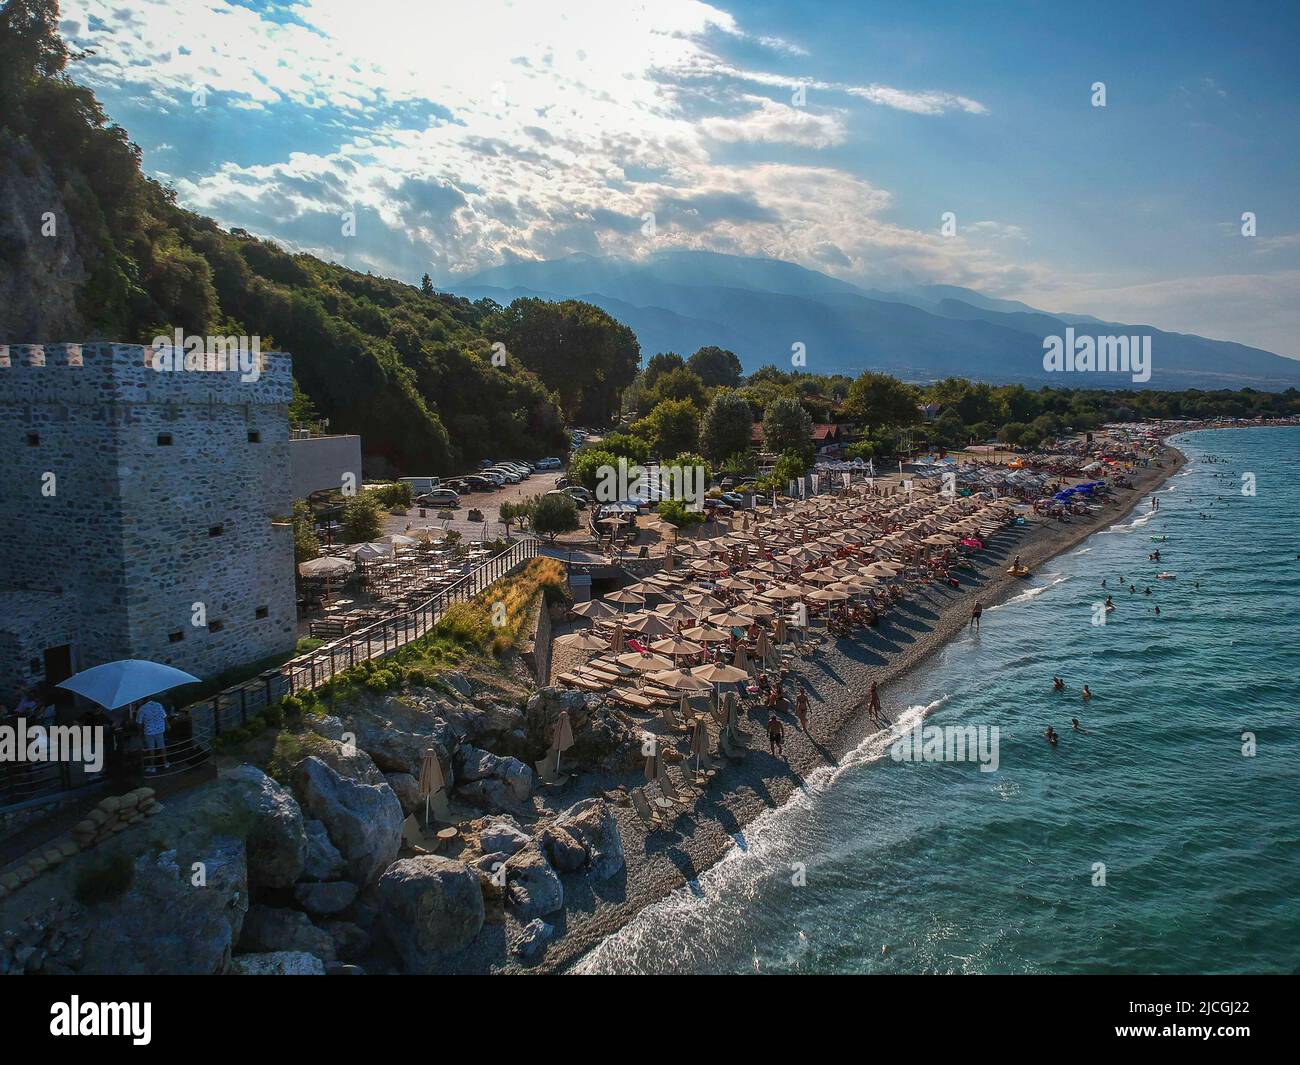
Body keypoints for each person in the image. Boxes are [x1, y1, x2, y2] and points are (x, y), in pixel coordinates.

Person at [136, 697, 170, 774]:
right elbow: (164, 716)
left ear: (143, 700)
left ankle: (152, 767)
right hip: (160, 729)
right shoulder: (158, 705)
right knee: (162, 746)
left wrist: (140, 732)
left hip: (149, 731)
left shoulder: (142, 709)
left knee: (151, 748)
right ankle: (165, 763)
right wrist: (167, 724)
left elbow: (139, 723)